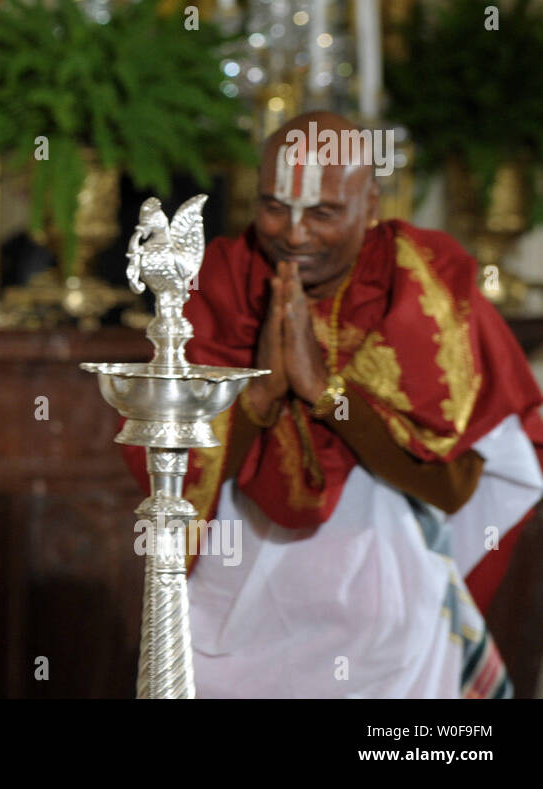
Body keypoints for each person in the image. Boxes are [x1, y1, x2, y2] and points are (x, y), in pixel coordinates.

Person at [121, 111, 543, 698]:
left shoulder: (420, 280)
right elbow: (167, 478)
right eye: (274, 206)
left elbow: (453, 487)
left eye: (323, 213)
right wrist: (262, 396)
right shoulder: (219, 278)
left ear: (371, 204)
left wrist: (326, 395)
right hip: (232, 608)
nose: (294, 234)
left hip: (384, 616)